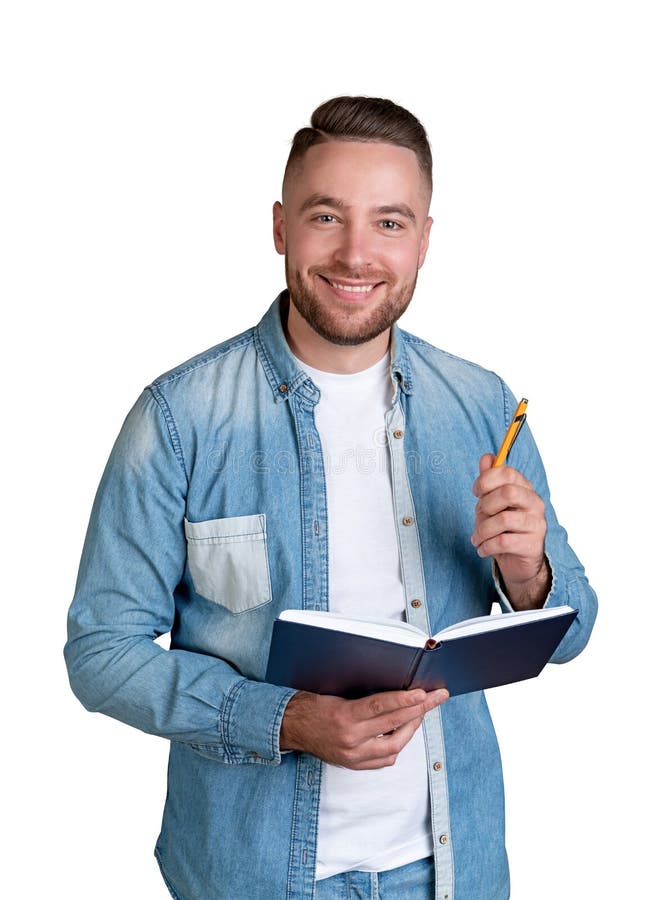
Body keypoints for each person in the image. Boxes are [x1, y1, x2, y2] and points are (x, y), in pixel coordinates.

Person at [65, 96, 597, 900]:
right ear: (280, 227)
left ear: (423, 240)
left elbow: (571, 633)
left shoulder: (484, 407)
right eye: (325, 216)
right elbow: (101, 653)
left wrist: (532, 576)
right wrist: (282, 720)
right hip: (249, 876)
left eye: (389, 222)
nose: (356, 254)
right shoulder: (179, 418)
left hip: (453, 872)